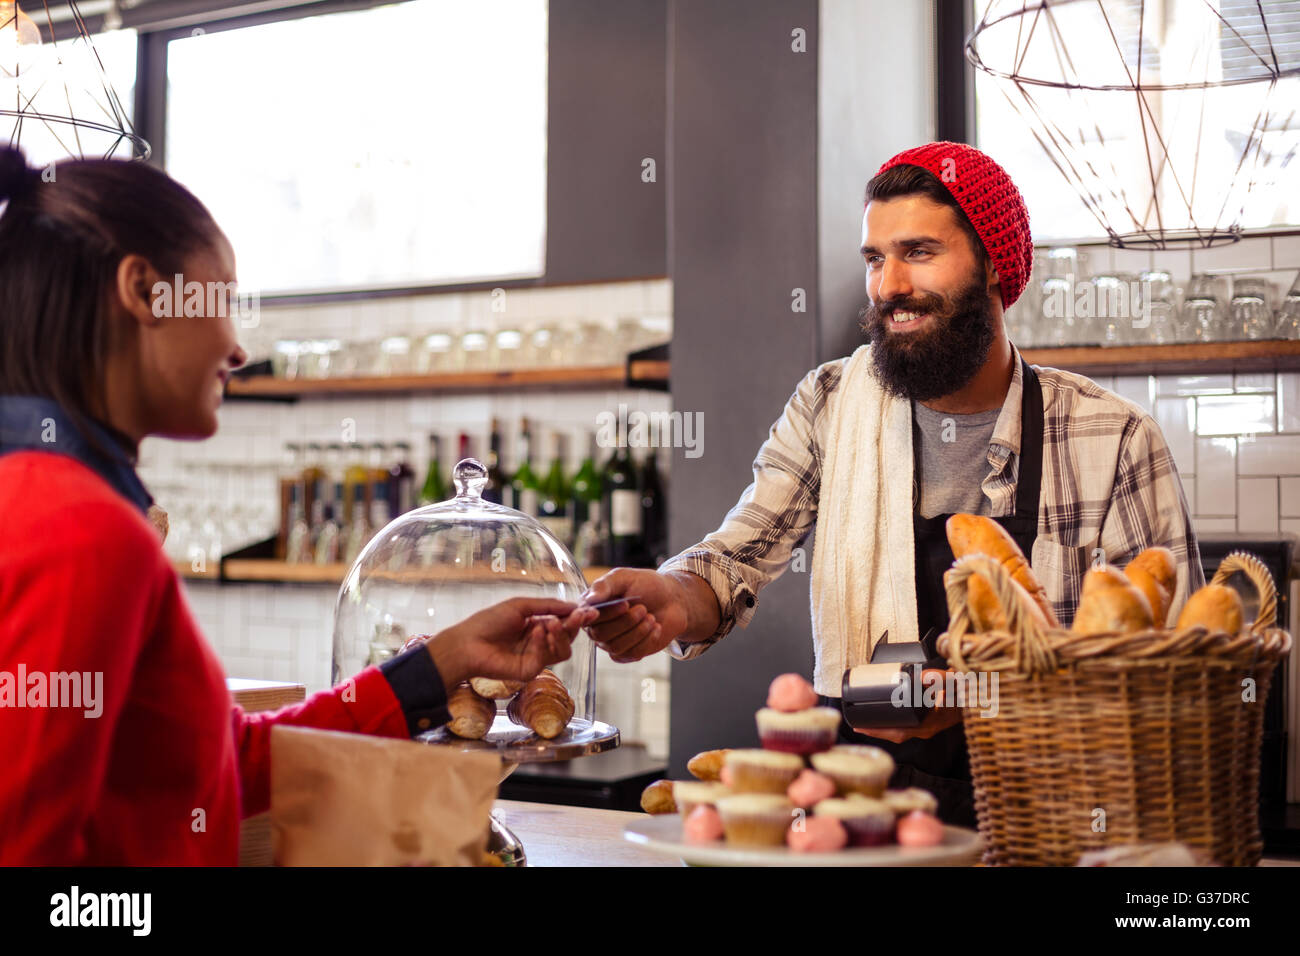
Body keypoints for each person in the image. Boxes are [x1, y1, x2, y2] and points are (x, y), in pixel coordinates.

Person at [0, 146, 599, 865]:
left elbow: (216, 765)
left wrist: (437, 665)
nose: (237, 349)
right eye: (222, 300)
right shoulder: (84, 530)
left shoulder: (47, 498)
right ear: (142, 291)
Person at [582, 141, 1204, 827]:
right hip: (861, 805)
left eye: (919, 252)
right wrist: (670, 598)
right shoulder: (829, 402)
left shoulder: (1110, 436)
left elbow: (1173, 676)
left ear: (996, 264)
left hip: (1049, 808)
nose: (889, 286)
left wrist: (976, 697)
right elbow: (739, 558)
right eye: (876, 258)